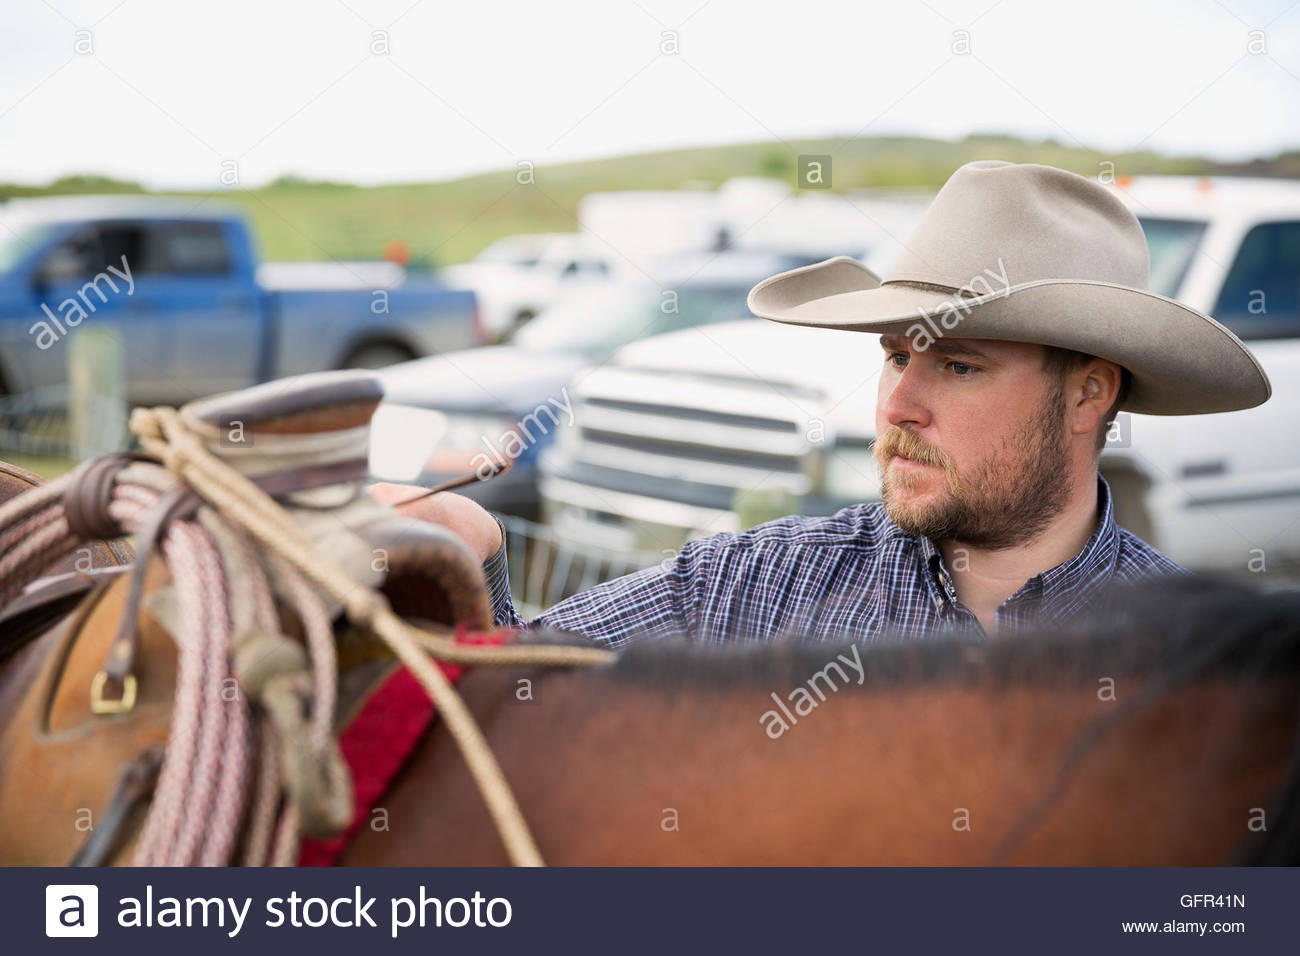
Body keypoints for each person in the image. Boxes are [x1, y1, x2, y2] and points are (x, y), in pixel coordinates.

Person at [368, 161, 1270, 645]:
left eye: (956, 365)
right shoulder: (755, 586)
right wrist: (472, 556)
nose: (898, 404)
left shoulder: (1193, 658)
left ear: (1088, 393)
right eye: (892, 358)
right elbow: (528, 684)